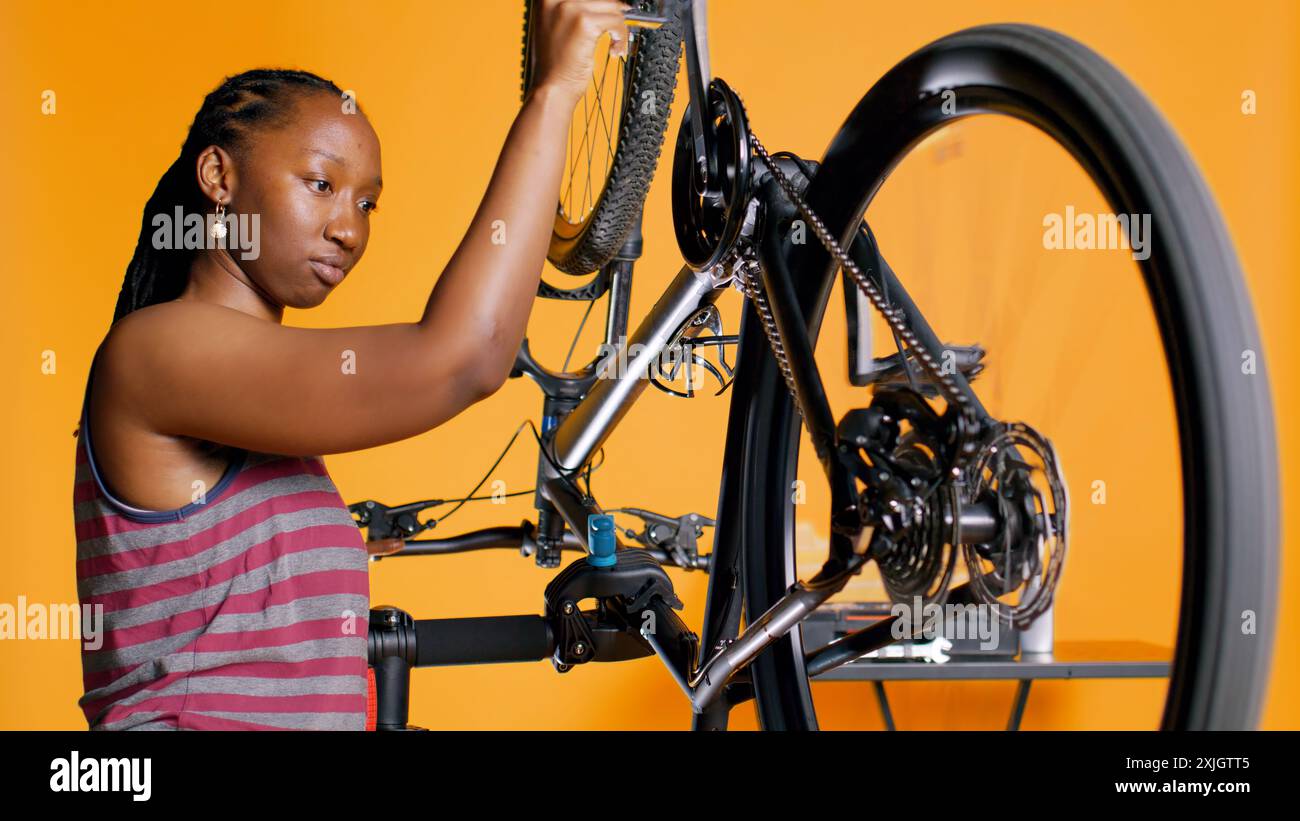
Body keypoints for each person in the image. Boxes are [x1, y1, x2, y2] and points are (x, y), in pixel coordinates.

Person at [71, 0, 632, 730]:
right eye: (321, 184)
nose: (348, 228)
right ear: (218, 176)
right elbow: (466, 357)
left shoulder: (260, 418)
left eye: (369, 204)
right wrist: (554, 93)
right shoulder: (154, 351)